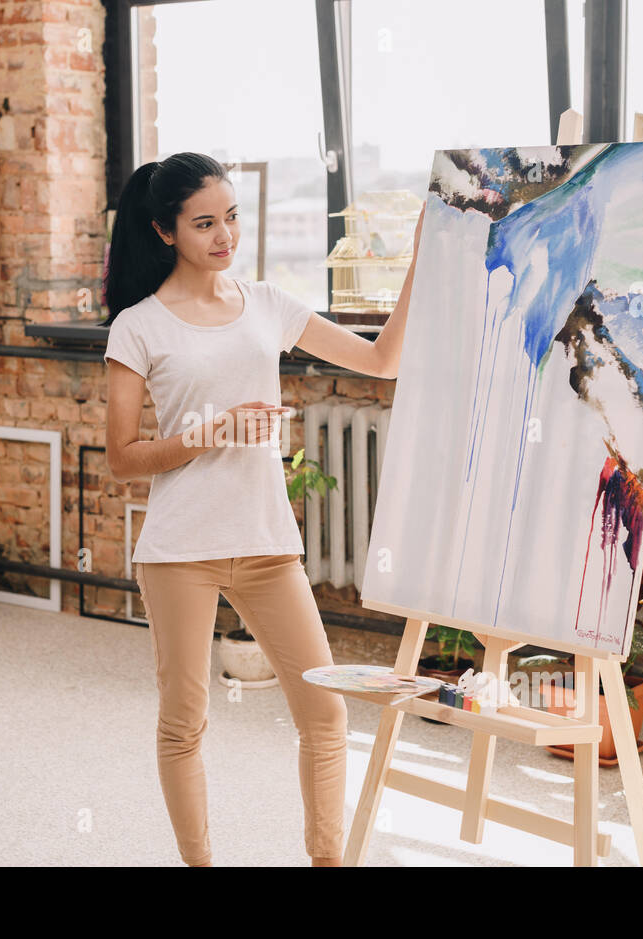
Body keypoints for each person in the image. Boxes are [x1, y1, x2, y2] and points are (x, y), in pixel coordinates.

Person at [102, 152, 424, 866]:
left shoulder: (269, 305)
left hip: (266, 540)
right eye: (205, 223)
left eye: (233, 217)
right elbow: (123, 456)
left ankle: (327, 860)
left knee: (326, 712)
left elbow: (382, 362)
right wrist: (209, 433)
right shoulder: (138, 326)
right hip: (180, 549)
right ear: (166, 232)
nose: (225, 236)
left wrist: (422, 261)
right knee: (185, 722)